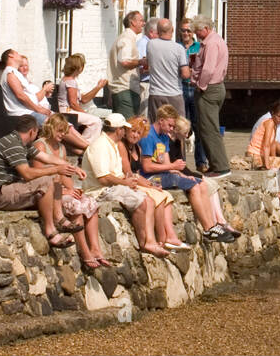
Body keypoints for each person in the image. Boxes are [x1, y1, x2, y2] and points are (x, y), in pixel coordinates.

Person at [139, 105, 235, 242]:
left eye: (173, 126)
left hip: (163, 174)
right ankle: (208, 229)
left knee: (201, 184)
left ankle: (213, 225)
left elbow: (167, 166)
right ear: (161, 120)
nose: (171, 129)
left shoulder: (164, 137)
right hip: (149, 177)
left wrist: (182, 174)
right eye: (170, 125)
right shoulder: (149, 136)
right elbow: (147, 167)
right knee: (194, 186)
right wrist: (173, 167)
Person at [0, 114, 72, 249]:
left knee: (53, 176)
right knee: (47, 180)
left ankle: (59, 217)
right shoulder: (12, 144)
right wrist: (56, 169)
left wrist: (71, 168)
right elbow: (27, 174)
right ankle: (51, 231)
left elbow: (46, 158)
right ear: (32, 131)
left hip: (8, 190)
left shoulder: (21, 143)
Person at [81, 114, 168, 257]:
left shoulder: (111, 144)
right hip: (100, 191)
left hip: (111, 186)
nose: (125, 132)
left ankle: (151, 241)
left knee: (149, 201)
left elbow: (116, 174)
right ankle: (144, 242)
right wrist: (125, 182)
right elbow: (103, 178)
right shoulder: (101, 145)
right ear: (118, 130)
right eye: (124, 129)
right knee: (140, 202)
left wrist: (130, 181)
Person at [31, 114, 111, 271]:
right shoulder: (40, 146)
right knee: (75, 206)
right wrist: (66, 190)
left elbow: (65, 174)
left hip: (60, 188)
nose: (62, 135)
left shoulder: (61, 148)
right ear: (51, 129)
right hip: (47, 191)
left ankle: (95, 247)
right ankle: (85, 251)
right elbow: (38, 175)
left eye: (64, 132)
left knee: (90, 203)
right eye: (59, 131)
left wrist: (72, 189)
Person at [122, 117, 188, 250]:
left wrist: (151, 184)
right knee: (157, 197)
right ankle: (162, 239)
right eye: (133, 131)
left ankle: (169, 235)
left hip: (138, 179)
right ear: (126, 131)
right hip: (128, 181)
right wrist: (148, 185)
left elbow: (138, 172)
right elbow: (129, 173)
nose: (135, 135)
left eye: (138, 133)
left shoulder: (137, 148)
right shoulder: (122, 146)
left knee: (166, 196)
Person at [191, 15, 230, 178]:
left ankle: (220, 167)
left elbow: (208, 69)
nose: (196, 34)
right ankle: (216, 165)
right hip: (215, 87)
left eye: (197, 31)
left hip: (210, 89)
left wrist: (200, 85)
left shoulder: (211, 43)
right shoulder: (216, 41)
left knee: (209, 128)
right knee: (207, 127)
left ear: (205, 29)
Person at [56, 53, 105, 146]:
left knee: (94, 120)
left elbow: (81, 99)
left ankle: (84, 143)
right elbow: (73, 104)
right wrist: (85, 113)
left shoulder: (66, 79)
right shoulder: (71, 81)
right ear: (79, 68)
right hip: (67, 111)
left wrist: (98, 87)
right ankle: (86, 145)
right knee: (96, 121)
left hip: (66, 109)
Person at [145, 19, 190, 119]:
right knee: (177, 127)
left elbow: (148, 64)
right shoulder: (179, 48)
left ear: (158, 30)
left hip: (156, 93)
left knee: (156, 126)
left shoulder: (151, 44)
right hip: (174, 93)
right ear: (172, 29)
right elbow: (185, 74)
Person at [0, 49, 54, 127]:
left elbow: (29, 97)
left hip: (29, 111)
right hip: (22, 114)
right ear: (10, 56)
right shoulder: (10, 73)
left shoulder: (14, 73)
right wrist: (38, 109)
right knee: (58, 125)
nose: (20, 55)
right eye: (17, 53)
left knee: (64, 124)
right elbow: (21, 96)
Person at [107, 12, 144, 119]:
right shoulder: (127, 39)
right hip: (125, 90)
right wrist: (142, 62)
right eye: (141, 20)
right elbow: (125, 62)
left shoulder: (125, 38)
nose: (143, 23)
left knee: (122, 126)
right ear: (132, 22)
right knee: (127, 127)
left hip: (122, 89)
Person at [136, 18, 161, 117]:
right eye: (159, 33)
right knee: (144, 116)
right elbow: (141, 67)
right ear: (151, 33)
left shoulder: (150, 44)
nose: (161, 36)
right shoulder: (143, 44)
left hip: (151, 84)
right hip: (145, 85)